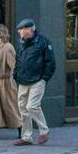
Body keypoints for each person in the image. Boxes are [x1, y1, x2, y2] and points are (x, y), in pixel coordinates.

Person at [13, 17, 55, 146]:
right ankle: (26, 137)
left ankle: (44, 131)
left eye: (21, 29)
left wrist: (44, 79)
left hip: (38, 80)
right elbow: (18, 62)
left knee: (32, 106)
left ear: (29, 29)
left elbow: (51, 63)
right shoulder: (22, 44)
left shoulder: (43, 42)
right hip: (23, 81)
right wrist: (16, 75)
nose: (19, 32)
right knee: (22, 109)